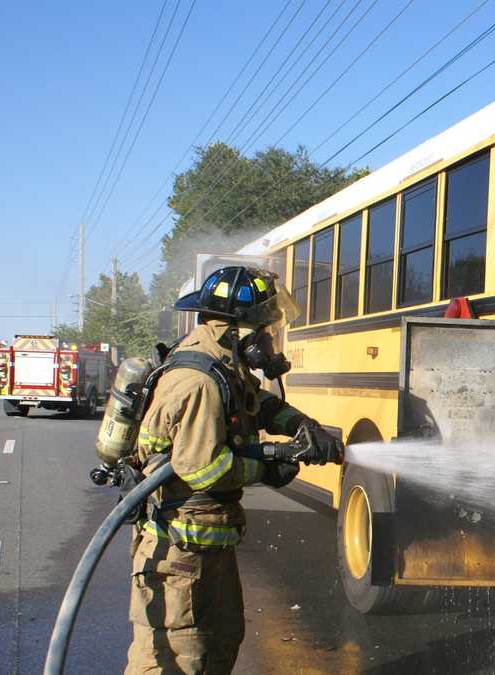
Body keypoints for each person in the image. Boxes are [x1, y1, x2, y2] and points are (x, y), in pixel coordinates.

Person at [125, 266, 343, 675]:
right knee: (180, 659)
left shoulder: (223, 365)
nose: (269, 338)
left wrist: (301, 426)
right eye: (264, 328)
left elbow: (255, 401)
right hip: (180, 555)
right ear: (236, 329)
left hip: (208, 548)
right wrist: (268, 466)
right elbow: (204, 470)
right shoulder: (198, 382)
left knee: (220, 643)